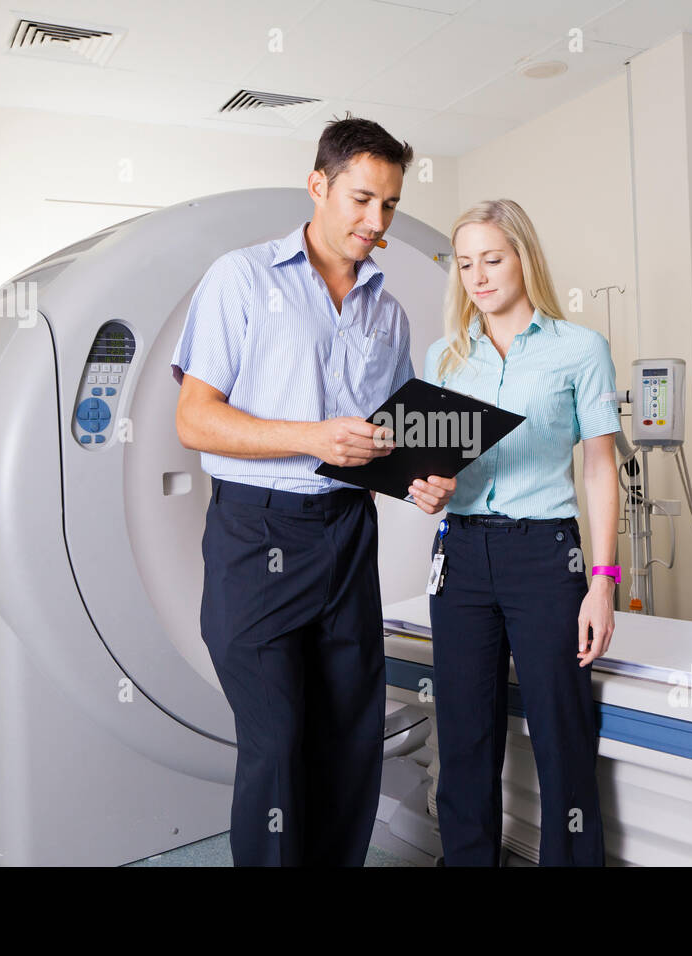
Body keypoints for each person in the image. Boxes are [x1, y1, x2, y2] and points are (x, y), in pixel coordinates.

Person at [170, 116, 456, 866]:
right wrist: (310, 436)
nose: (375, 220)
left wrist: (422, 483)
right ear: (319, 185)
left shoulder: (385, 312)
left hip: (346, 534)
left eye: (389, 205)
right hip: (255, 534)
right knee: (276, 741)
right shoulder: (241, 278)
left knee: (350, 736)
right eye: (362, 199)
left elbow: (384, 440)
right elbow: (194, 421)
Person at [423, 198, 620, 866]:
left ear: (524, 258)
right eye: (466, 262)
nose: (478, 275)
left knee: (562, 729)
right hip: (460, 555)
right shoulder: (444, 357)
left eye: (493, 259)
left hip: (544, 557)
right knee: (465, 734)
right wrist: (428, 487)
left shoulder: (579, 350)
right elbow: (430, 472)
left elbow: (599, 468)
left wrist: (603, 583)